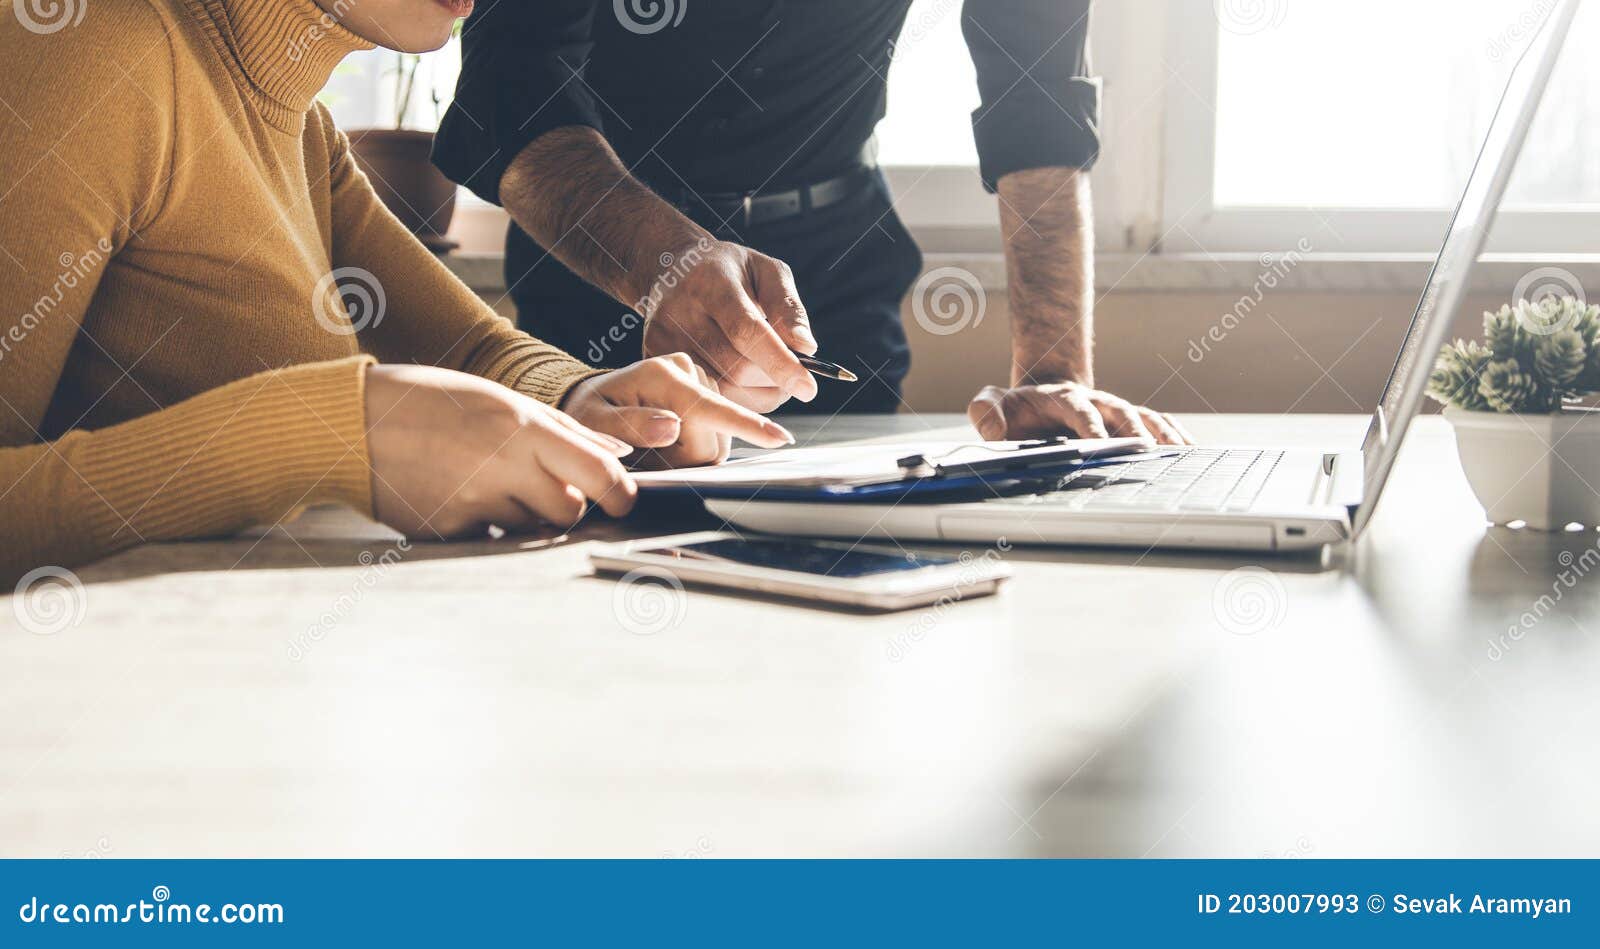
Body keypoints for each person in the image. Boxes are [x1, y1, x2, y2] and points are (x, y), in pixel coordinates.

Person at [0, 0, 790, 585]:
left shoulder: (302, 127)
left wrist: (584, 401)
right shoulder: (82, 50)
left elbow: (470, 348)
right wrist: (330, 435)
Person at [432, 1, 1192, 444]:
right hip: (595, 269)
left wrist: (1055, 374)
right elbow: (511, 87)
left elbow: (1038, 92)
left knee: (843, 582)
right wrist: (663, 261)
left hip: (839, 277)